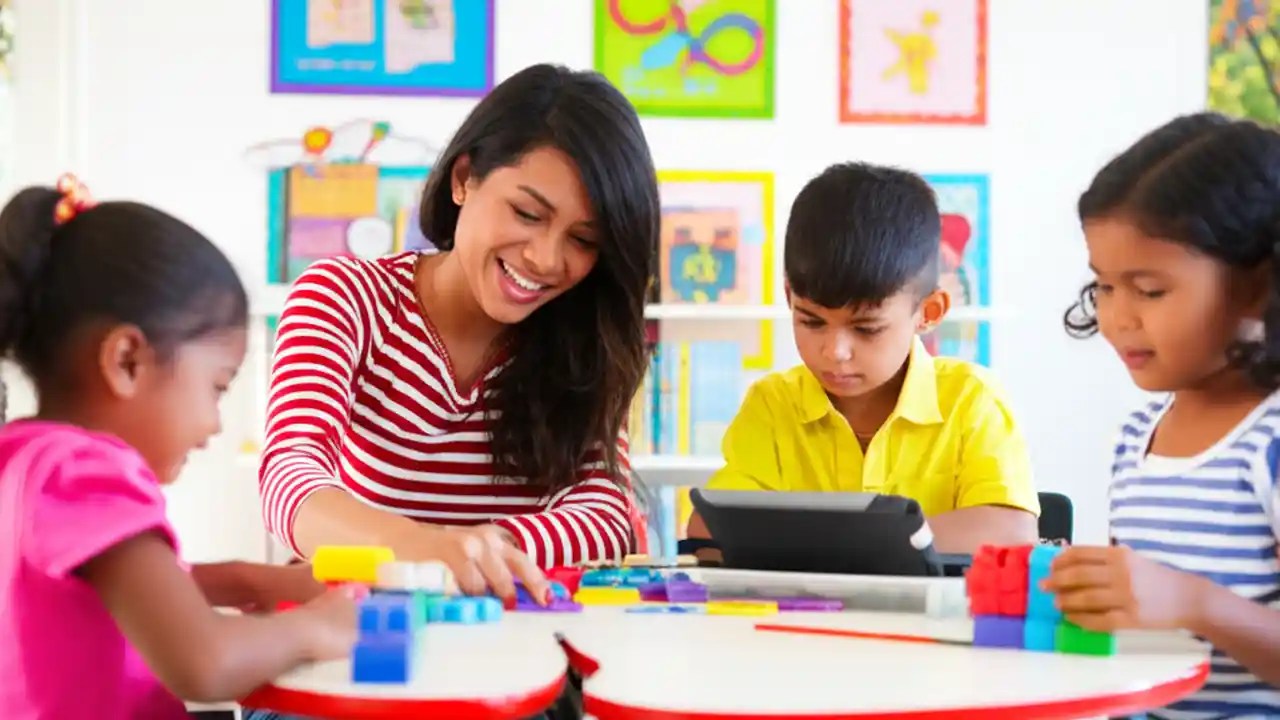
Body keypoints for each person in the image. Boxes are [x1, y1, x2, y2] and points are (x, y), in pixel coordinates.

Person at [258, 63, 659, 601]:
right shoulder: (347, 297)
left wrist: (472, 553)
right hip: (370, 629)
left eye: (583, 240)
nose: (546, 259)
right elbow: (291, 473)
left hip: (521, 642)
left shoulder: (582, 338)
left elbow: (608, 515)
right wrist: (416, 548)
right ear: (463, 178)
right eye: (526, 213)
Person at [0, 175, 358, 719]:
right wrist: (314, 628)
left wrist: (248, 579)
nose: (214, 425)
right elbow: (205, 663)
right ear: (127, 361)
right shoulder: (86, 472)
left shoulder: (22, 458)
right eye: (217, 387)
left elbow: (116, 593)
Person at [1045, 113, 1280, 717]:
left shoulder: (1270, 444)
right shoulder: (1137, 440)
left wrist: (1196, 603)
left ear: (1257, 287)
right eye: (1104, 286)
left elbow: (1179, 602)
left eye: (1149, 290)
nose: (1119, 317)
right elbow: (1134, 622)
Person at [687, 162, 1040, 557]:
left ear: (930, 312)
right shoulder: (772, 404)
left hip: (932, 620)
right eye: (811, 321)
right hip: (804, 619)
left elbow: (1012, 530)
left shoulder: (971, 399)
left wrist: (842, 543)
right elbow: (708, 531)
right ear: (790, 298)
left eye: (867, 328)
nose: (834, 351)